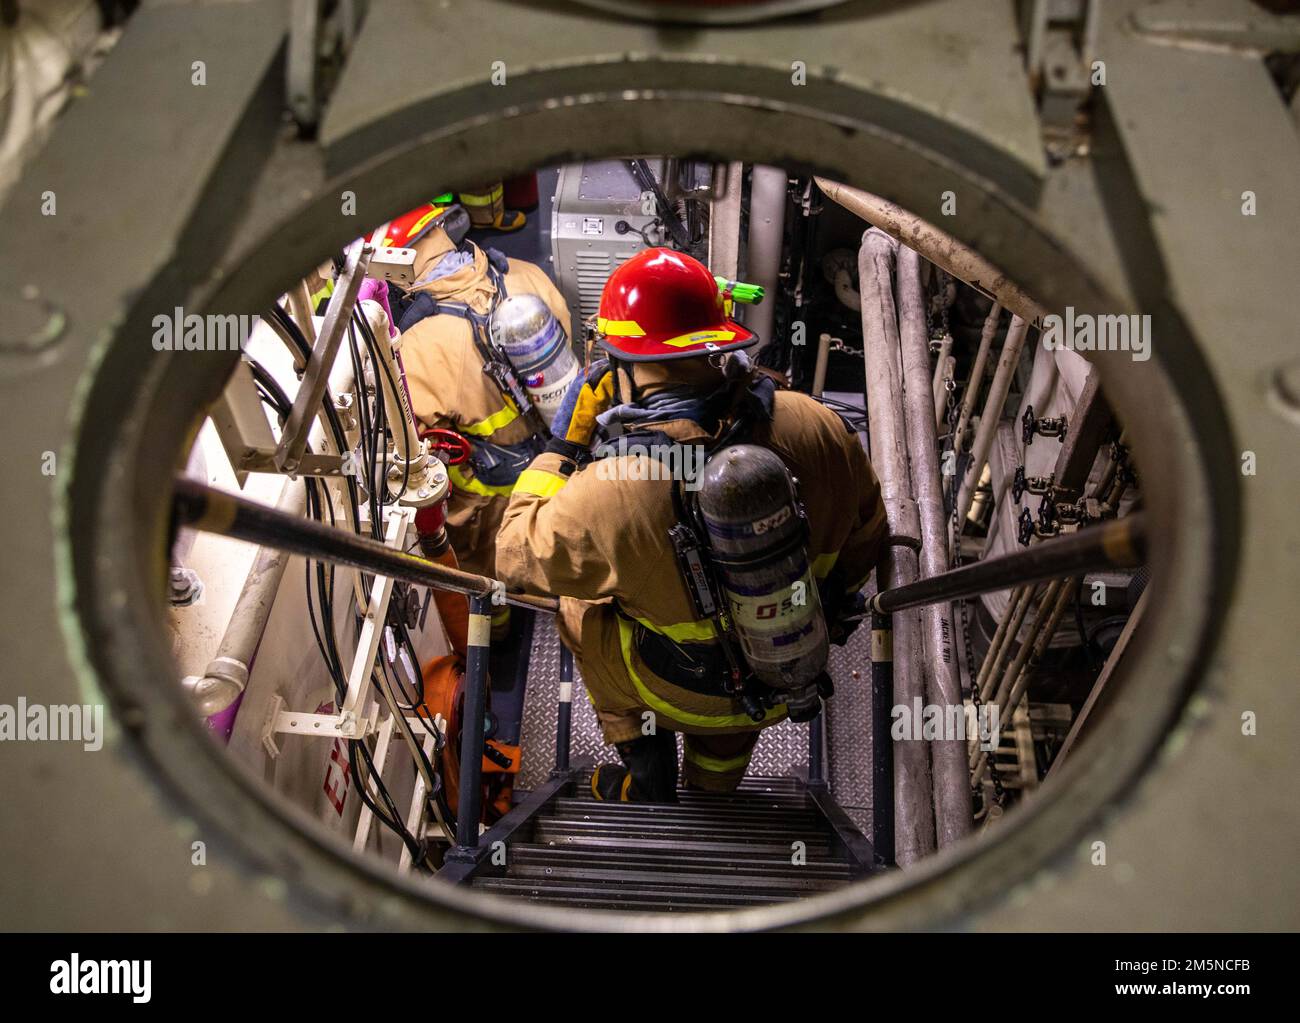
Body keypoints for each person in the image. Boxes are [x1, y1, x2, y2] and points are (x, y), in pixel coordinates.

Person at [495, 247, 888, 801]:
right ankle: (712, 795)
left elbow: (512, 555)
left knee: (576, 607)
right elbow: (869, 533)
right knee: (726, 740)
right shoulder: (819, 425)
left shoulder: (608, 495)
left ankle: (643, 759)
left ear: (627, 364)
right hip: (781, 677)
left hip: (671, 690)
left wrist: (562, 448)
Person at [384, 203, 572, 626]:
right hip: (557, 461)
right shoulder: (525, 273)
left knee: (486, 579)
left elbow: (416, 443)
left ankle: (498, 637)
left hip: (487, 502)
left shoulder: (417, 350)